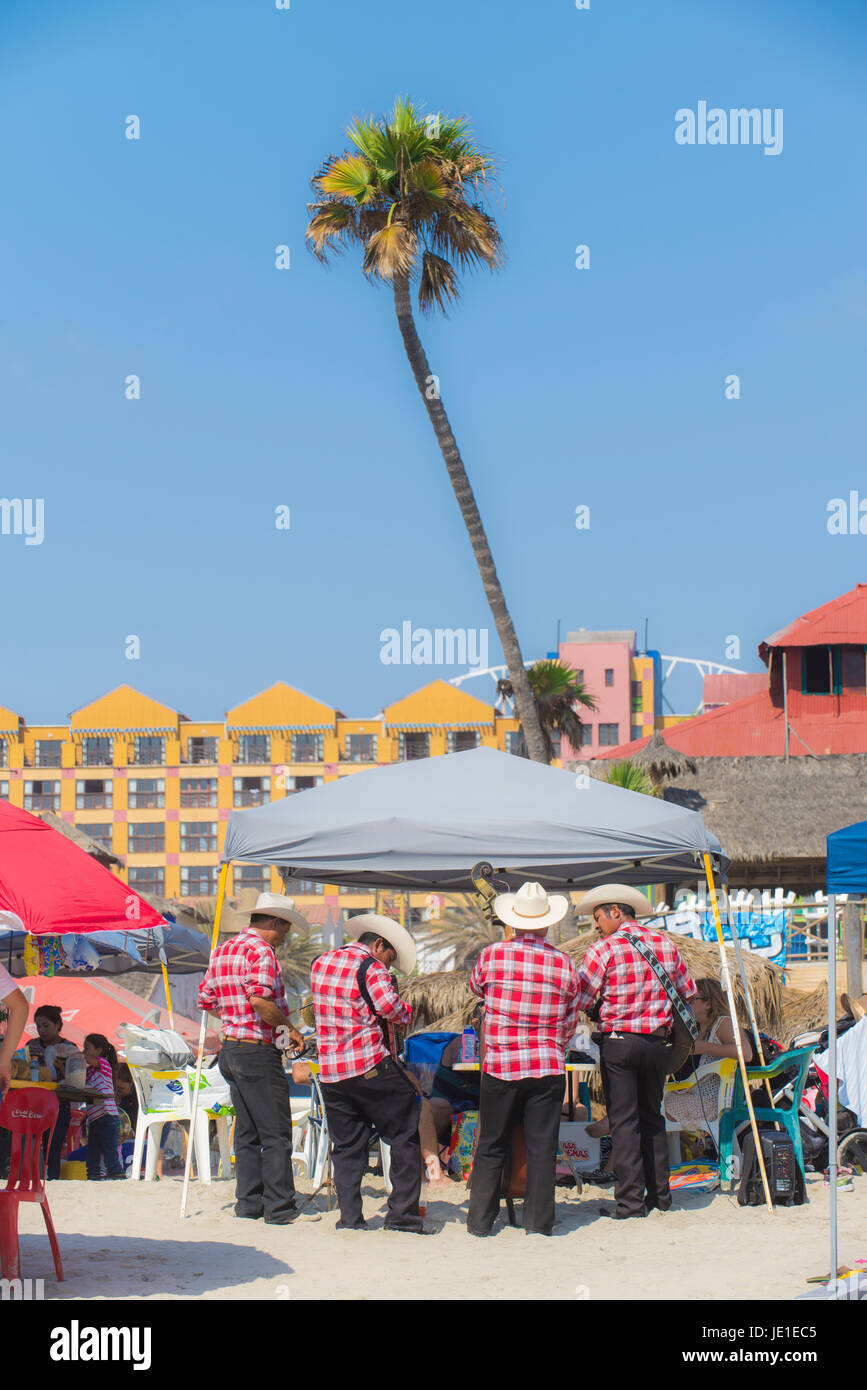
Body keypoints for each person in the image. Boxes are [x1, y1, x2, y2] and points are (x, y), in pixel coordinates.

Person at [466, 881, 582, 1238]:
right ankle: (539, 1224)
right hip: (546, 1066)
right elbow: (570, 1021)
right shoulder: (564, 964)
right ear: (547, 924)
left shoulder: (492, 955)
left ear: (513, 922)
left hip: (501, 1065)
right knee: (542, 1147)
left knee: (491, 1144)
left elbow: (475, 987)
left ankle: (480, 1224)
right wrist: (550, 1045)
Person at [573, 884, 696, 1220]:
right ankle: (661, 1197)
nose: (596, 925)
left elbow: (582, 999)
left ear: (616, 911)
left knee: (625, 1122)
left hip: (619, 1042)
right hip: (657, 1043)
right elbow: (689, 990)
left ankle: (630, 1203)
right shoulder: (665, 943)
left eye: (598, 917)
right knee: (652, 1117)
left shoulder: (603, 950)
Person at [310, 912, 432, 1234]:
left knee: (347, 1147)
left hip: (332, 1073)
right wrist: (406, 1010)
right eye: (389, 958)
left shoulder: (320, 962)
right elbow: (390, 1008)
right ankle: (402, 1217)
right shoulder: (371, 968)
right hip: (368, 1065)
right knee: (404, 1134)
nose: (389, 966)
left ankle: (350, 1219)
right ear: (378, 945)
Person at [198, 892, 307, 1224]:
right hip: (256, 1049)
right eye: (285, 929)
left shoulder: (223, 949)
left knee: (247, 1131)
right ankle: (279, 1207)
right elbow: (260, 1001)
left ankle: (248, 1203)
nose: (286, 937)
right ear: (274, 923)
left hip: (231, 1047)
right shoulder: (262, 952)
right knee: (275, 1131)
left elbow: (205, 998)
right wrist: (290, 1030)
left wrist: (233, 1017)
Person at [32, 1004, 78, 1179]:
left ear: (58, 1024)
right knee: (33, 1145)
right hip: (34, 1105)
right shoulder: (32, 1045)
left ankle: (52, 1181)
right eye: (38, 1026)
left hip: (59, 1105)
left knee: (53, 1145)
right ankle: (33, 1178)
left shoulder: (69, 1048)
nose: (41, 1030)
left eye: (46, 1025)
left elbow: (75, 1079)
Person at [83, 1033, 125, 1180]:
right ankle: (93, 1178)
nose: (84, 1051)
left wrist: (74, 1055)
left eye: (87, 1048)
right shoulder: (88, 1072)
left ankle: (119, 1179)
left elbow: (88, 1059)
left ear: (98, 1051)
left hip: (108, 1117)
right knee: (92, 1156)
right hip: (94, 1119)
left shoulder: (104, 1064)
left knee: (110, 1156)